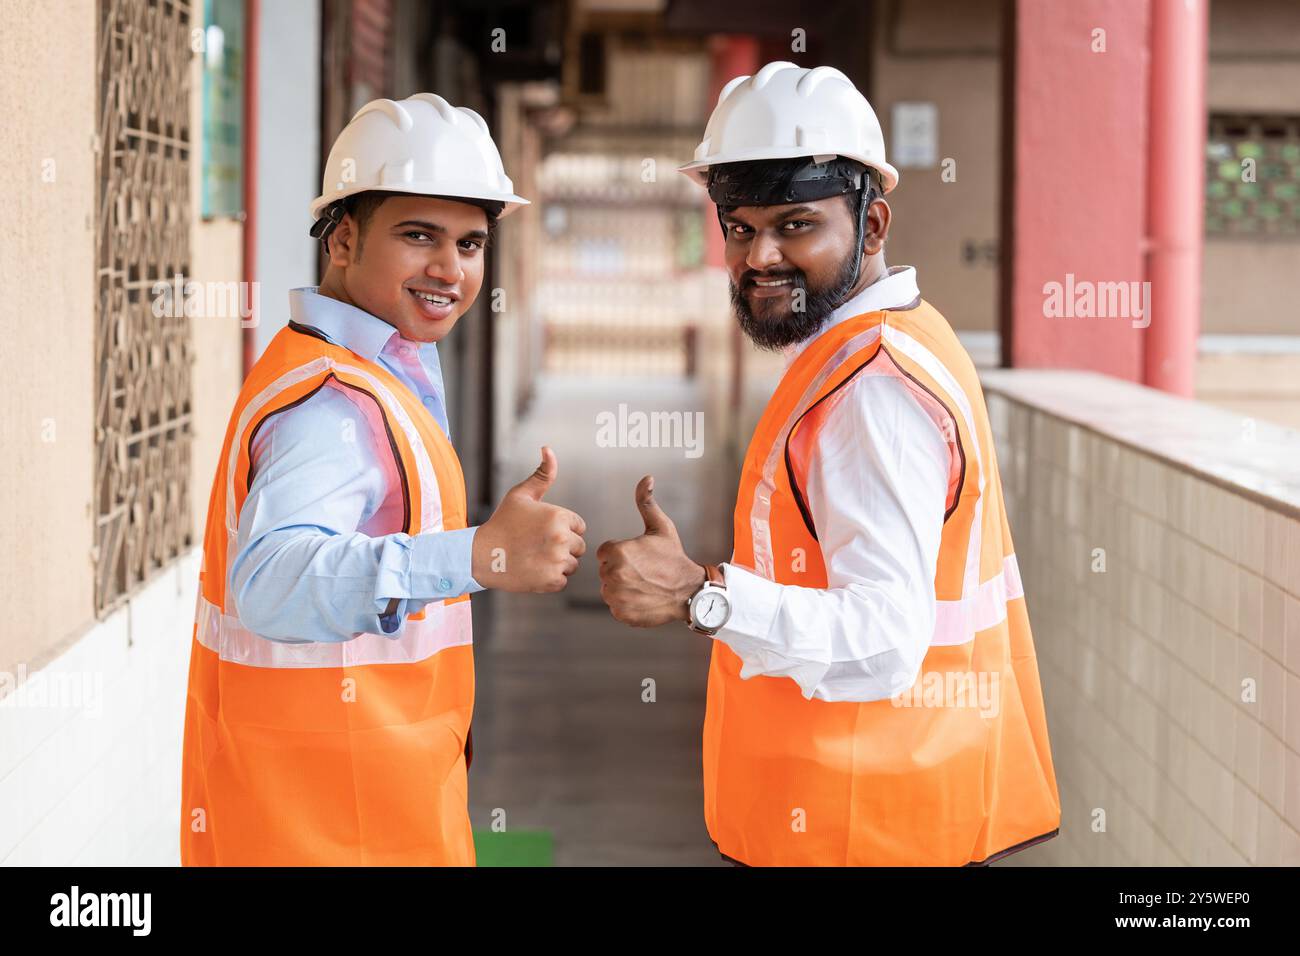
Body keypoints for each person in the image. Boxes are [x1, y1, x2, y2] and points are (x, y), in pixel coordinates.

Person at [597, 62, 1060, 866]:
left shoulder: (871, 389)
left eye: (796, 225)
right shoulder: (890, 339)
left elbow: (883, 642)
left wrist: (700, 596)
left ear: (871, 225)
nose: (760, 256)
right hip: (879, 813)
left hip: (861, 829)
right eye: (739, 228)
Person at [181, 93, 586, 865]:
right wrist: (479, 555)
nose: (450, 269)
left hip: (358, 812)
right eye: (418, 235)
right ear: (342, 239)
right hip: (328, 833)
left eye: (470, 244)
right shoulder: (331, 403)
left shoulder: (366, 369)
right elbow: (268, 585)